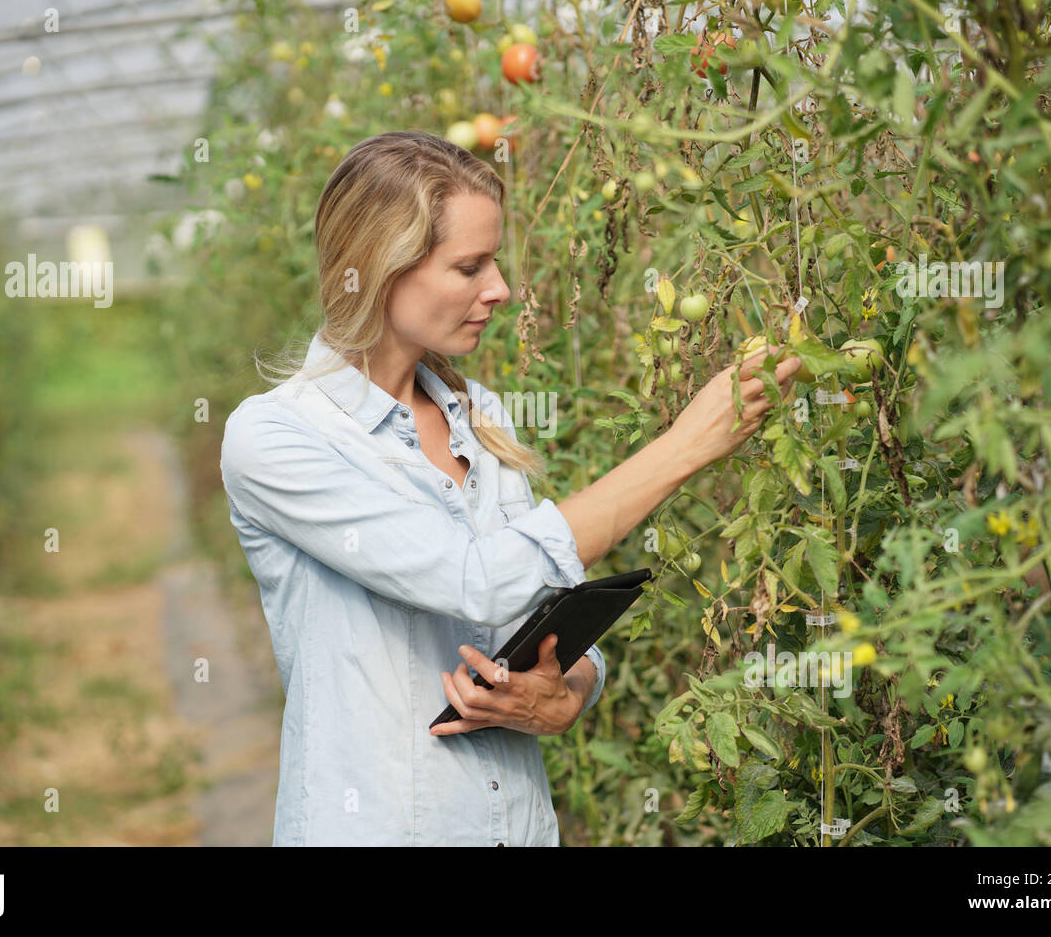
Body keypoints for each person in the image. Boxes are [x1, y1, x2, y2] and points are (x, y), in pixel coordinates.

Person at [220, 130, 800, 846]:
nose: (500, 288)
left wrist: (566, 694)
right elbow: (477, 583)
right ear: (379, 267)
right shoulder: (279, 438)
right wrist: (683, 448)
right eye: (468, 265)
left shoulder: (480, 417)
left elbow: (540, 612)